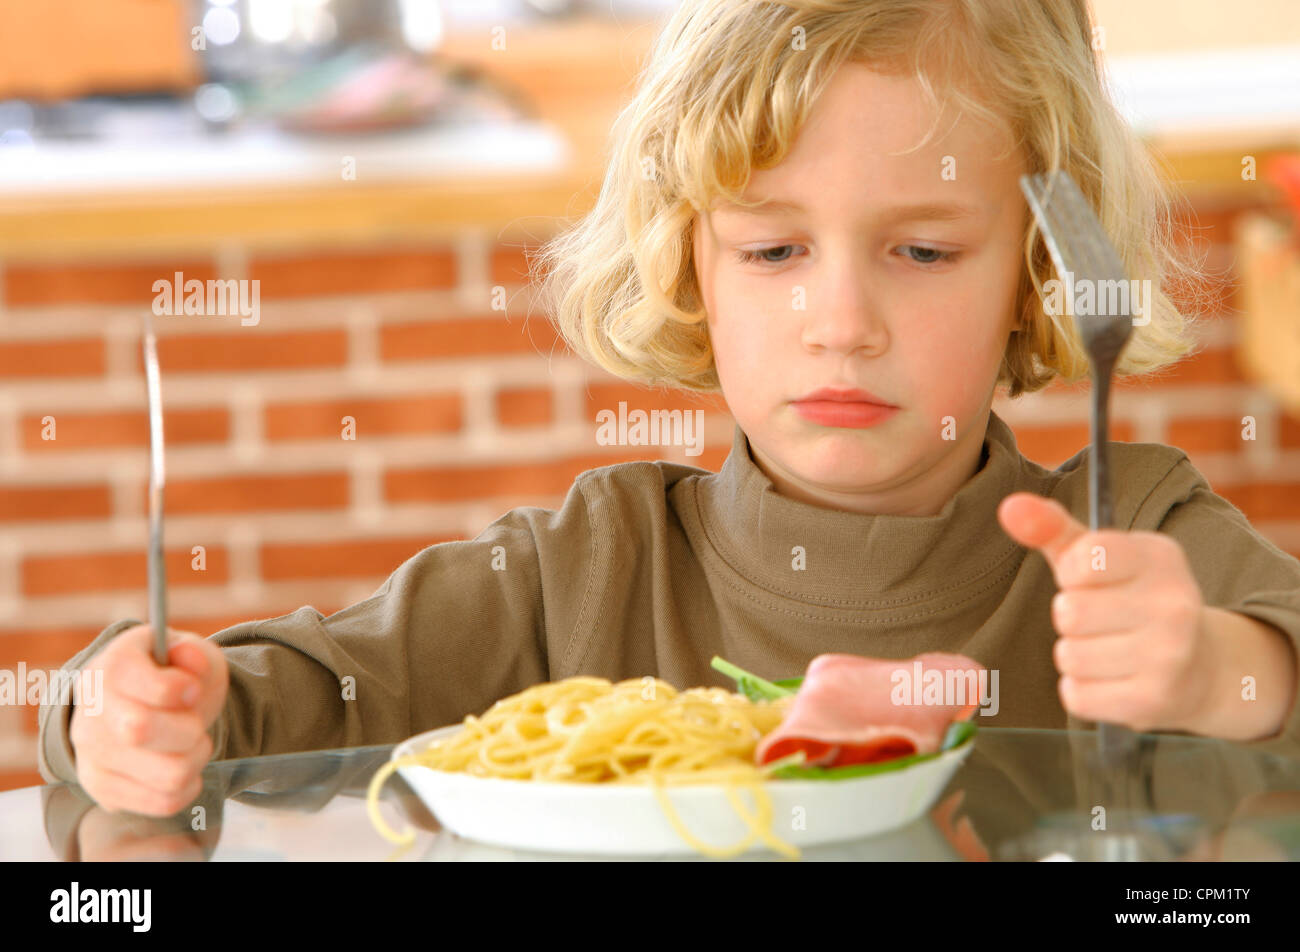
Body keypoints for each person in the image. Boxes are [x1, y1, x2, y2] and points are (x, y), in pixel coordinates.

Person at [39, 0, 1300, 817]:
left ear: (1035, 273)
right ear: (689, 268)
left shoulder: (1134, 534)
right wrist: (129, 711)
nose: (841, 321)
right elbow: (288, 696)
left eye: (922, 251)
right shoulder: (585, 572)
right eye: (771, 251)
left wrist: (1216, 670)